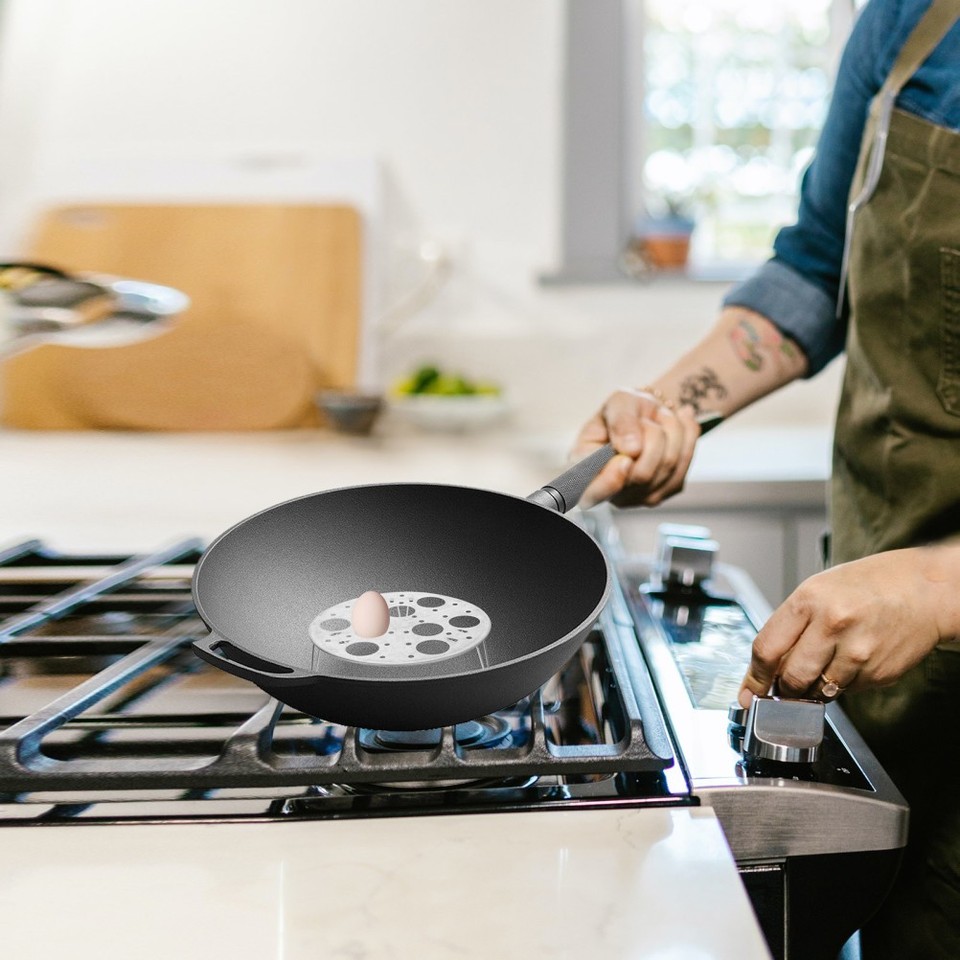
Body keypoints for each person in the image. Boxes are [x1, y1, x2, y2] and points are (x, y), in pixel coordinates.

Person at [573, 1, 960, 957]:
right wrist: (670, 408)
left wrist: (933, 585)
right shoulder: (914, 21)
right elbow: (813, 268)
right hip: (902, 694)